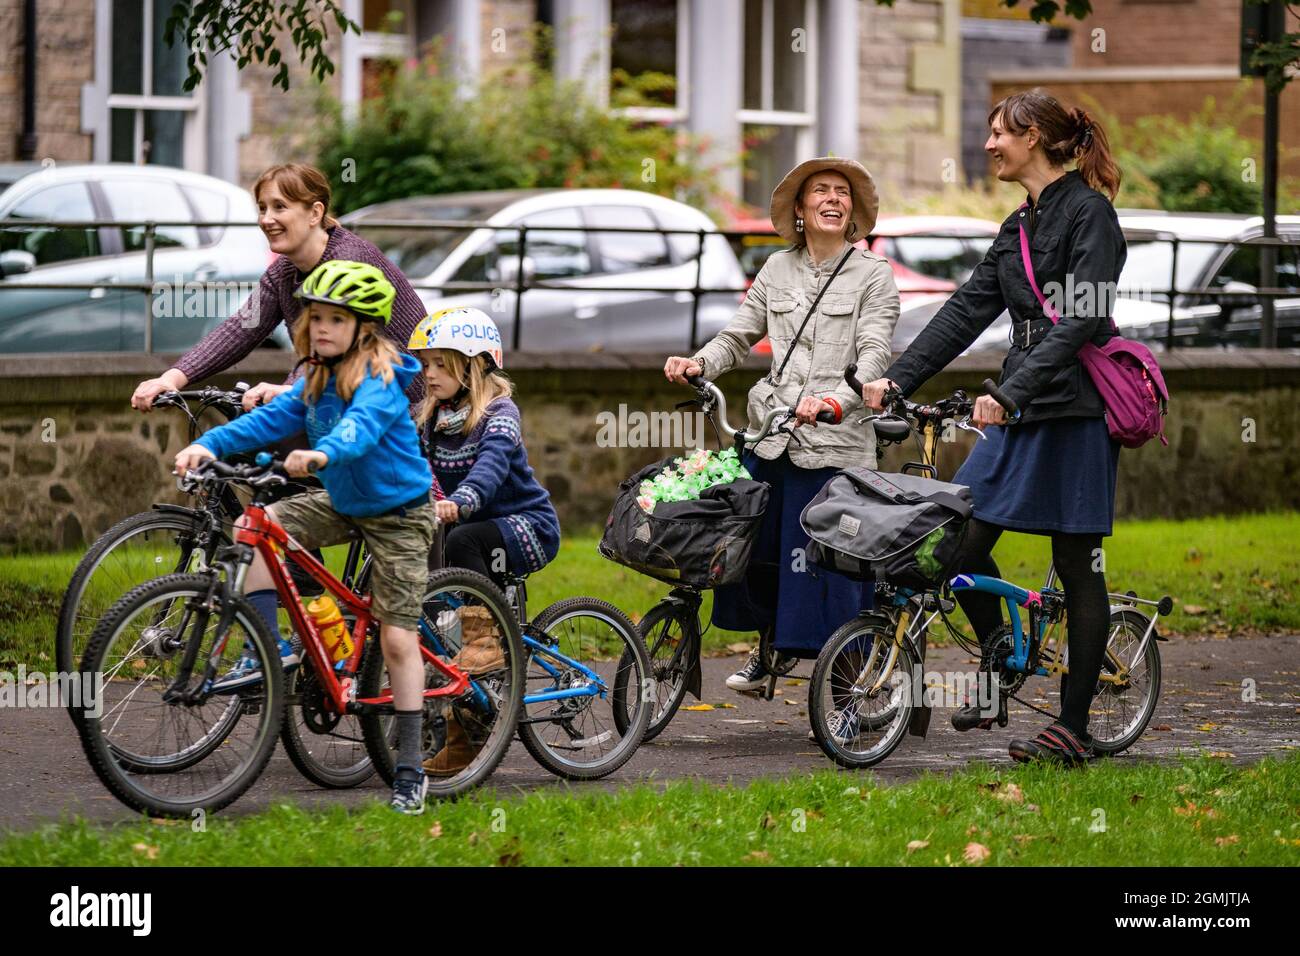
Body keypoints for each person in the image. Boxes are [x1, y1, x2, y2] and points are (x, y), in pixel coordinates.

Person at [858, 89, 1126, 766]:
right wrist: (897, 378)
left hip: (1074, 407)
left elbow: (1085, 320)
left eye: (999, 133)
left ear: (1033, 137)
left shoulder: (1091, 216)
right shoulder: (1018, 225)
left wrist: (1010, 391)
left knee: (1077, 563)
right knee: (958, 544)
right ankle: (1004, 658)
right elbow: (965, 311)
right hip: (1020, 404)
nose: (987, 146)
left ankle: (1071, 727)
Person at [172, 260, 438, 813]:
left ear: (364, 329)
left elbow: (359, 427)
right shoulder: (314, 376)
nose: (321, 327)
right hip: (343, 502)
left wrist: (322, 452)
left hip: (400, 515)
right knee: (254, 526)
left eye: (336, 320)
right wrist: (212, 444)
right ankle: (267, 655)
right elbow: (265, 423)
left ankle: (410, 770)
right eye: (315, 317)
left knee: (394, 639)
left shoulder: (382, 377)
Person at [664, 157, 899, 697]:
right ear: (800, 208)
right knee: (756, 550)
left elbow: (874, 352)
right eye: (821, 191)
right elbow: (738, 335)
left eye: (842, 193)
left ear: (854, 210)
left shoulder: (873, 275)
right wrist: (699, 363)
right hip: (771, 435)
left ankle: (847, 682)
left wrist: (838, 401)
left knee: (829, 565)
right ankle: (768, 647)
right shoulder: (776, 269)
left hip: (836, 445)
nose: (833, 200)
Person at [130, 162, 426, 413]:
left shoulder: (348, 262)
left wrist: (290, 389)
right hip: (346, 402)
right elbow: (241, 328)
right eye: (262, 208)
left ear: (315, 213)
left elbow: (336, 350)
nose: (266, 219)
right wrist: (172, 378)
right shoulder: (284, 271)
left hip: (405, 408)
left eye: (279, 207)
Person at [406, 306, 560, 776]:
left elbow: (491, 467)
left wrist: (462, 499)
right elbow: (418, 470)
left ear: (472, 367)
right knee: (428, 602)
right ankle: (458, 726)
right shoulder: (433, 417)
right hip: (468, 526)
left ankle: (486, 641)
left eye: (439, 364)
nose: (427, 375)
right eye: (425, 364)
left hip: (525, 524)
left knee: (463, 538)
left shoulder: (499, 413)